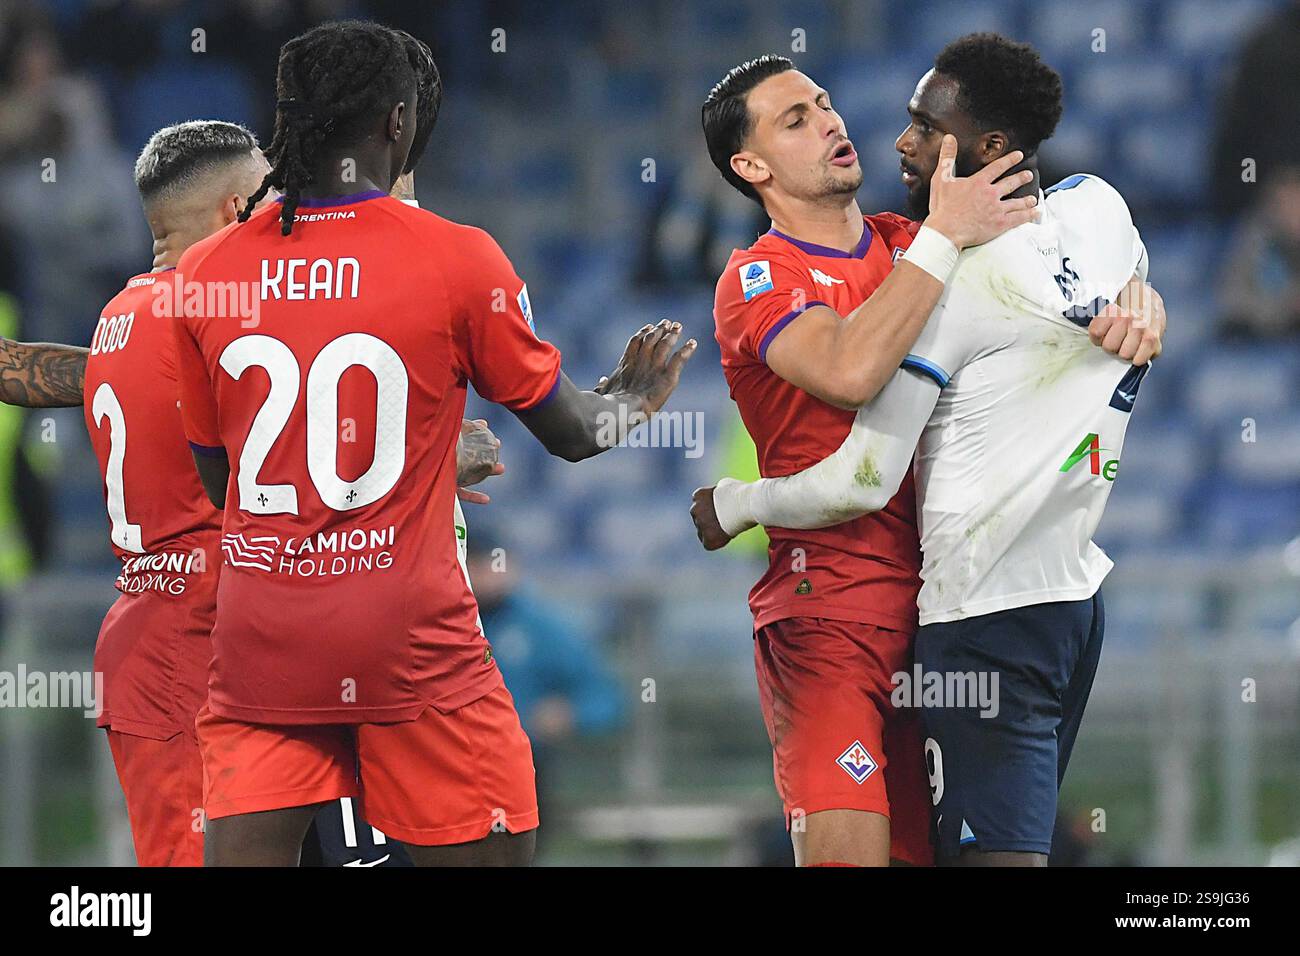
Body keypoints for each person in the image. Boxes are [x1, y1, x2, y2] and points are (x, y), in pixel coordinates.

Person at [175, 20, 694, 867]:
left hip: (263, 642)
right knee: (503, 848)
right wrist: (631, 401)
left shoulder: (205, 271)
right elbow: (569, 433)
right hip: (408, 645)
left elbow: (219, 482)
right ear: (397, 125)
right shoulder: (457, 258)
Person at [694, 33, 1163, 867]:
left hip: (941, 612)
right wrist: (944, 238)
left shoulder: (907, 246)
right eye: (795, 122)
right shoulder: (760, 278)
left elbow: (1052, 272)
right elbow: (844, 368)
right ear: (752, 169)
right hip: (826, 617)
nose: (832, 125)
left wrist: (1139, 300)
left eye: (826, 104)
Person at [0, 112, 499, 865]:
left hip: (194, 638)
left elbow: (72, 376)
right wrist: (429, 453)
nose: (286, 212)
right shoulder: (217, 320)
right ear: (236, 209)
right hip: (200, 643)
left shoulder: (125, 315)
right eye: (271, 194)